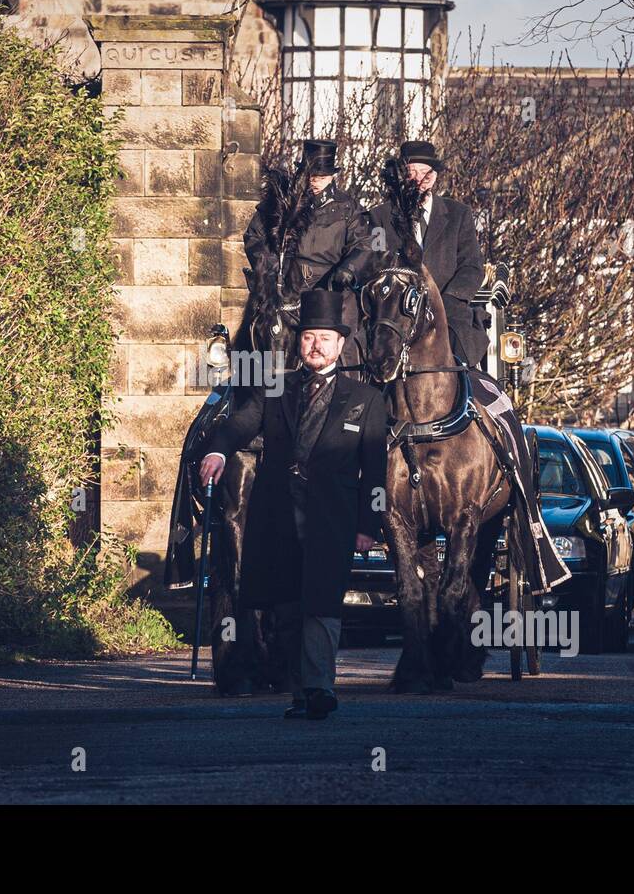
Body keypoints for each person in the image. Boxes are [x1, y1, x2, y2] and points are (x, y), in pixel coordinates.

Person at [199, 290, 387, 720]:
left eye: (325, 337)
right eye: (308, 338)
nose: (316, 345)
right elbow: (241, 423)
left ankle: (320, 687)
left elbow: (373, 472)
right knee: (286, 605)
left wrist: (367, 526)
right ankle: (302, 692)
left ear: (341, 344)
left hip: (332, 519)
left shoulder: (366, 400)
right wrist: (219, 450)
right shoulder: (276, 389)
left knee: (321, 604)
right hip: (277, 515)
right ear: (299, 343)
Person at [243, 139, 375, 370]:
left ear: (332, 176)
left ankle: (346, 385)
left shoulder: (348, 207)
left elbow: (364, 244)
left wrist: (348, 270)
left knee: (344, 343)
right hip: (287, 284)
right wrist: (271, 267)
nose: (315, 183)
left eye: (321, 178)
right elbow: (255, 237)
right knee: (263, 334)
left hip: (333, 288)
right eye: (311, 177)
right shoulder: (281, 202)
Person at [366, 141, 489, 368]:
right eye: (412, 172)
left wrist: (447, 301)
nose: (419, 179)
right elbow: (375, 264)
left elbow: (471, 267)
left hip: (447, 308)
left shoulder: (458, 214)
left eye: (425, 173)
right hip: (397, 311)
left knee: (461, 351)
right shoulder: (379, 218)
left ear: (433, 176)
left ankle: (470, 399)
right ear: (401, 175)